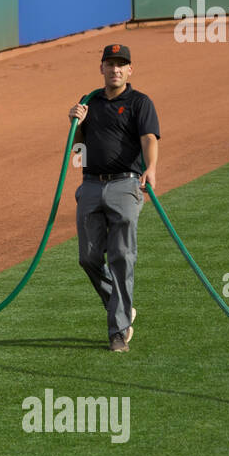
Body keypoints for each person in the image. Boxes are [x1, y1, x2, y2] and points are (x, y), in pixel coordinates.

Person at [69, 44, 160, 353]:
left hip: (125, 185)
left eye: (121, 64)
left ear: (130, 70)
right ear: (102, 68)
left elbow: (149, 138)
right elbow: (77, 153)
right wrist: (75, 124)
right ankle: (120, 306)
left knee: (121, 257)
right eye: (110, 64)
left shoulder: (140, 102)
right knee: (88, 257)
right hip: (91, 186)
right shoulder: (89, 102)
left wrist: (151, 168)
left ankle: (118, 332)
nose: (115, 69)